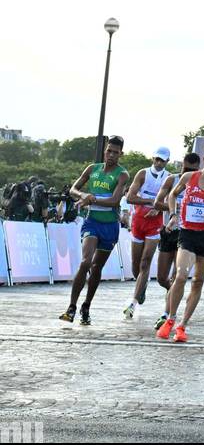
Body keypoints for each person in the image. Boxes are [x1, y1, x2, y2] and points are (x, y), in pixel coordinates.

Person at [156, 144, 204, 342]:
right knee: (181, 275)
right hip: (187, 234)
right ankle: (170, 319)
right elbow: (172, 195)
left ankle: (182, 326)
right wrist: (173, 215)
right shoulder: (189, 178)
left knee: (198, 281)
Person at [59, 136, 129, 326]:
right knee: (85, 262)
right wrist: (83, 195)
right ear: (105, 151)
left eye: (116, 152)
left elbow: (115, 201)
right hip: (92, 223)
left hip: (110, 226)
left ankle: (86, 306)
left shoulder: (122, 175)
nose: (111, 155)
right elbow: (74, 189)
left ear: (121, 154)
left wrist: (92, 199)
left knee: (97, 268)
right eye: (109, 151)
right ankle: (71, 307)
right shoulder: (92, 169)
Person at [150, 152, 200, 330]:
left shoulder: (200, 184)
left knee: (177, 275)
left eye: (193, 170)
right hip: (169, 230)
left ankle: (166, 314)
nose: (189, 172)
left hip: (186, 234)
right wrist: (176, 210)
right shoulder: (172, 180)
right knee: (163, 278)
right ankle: (175, 295)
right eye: (187, 169)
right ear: (182, 166)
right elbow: (157, 203)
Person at [122, 148, 172, 320]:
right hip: (138, 222)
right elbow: (130, 198)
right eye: (157, 159)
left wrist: (158, 210)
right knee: (136, 266)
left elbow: (170, 204)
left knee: (145, 263)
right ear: (153, 158)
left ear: (167, 162)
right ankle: (141, 288)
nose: (159, 163)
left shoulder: (169, 178)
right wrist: (152, 202)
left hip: (155, 224)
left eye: (163, 161)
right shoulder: (142, 174)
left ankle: (133, 303)